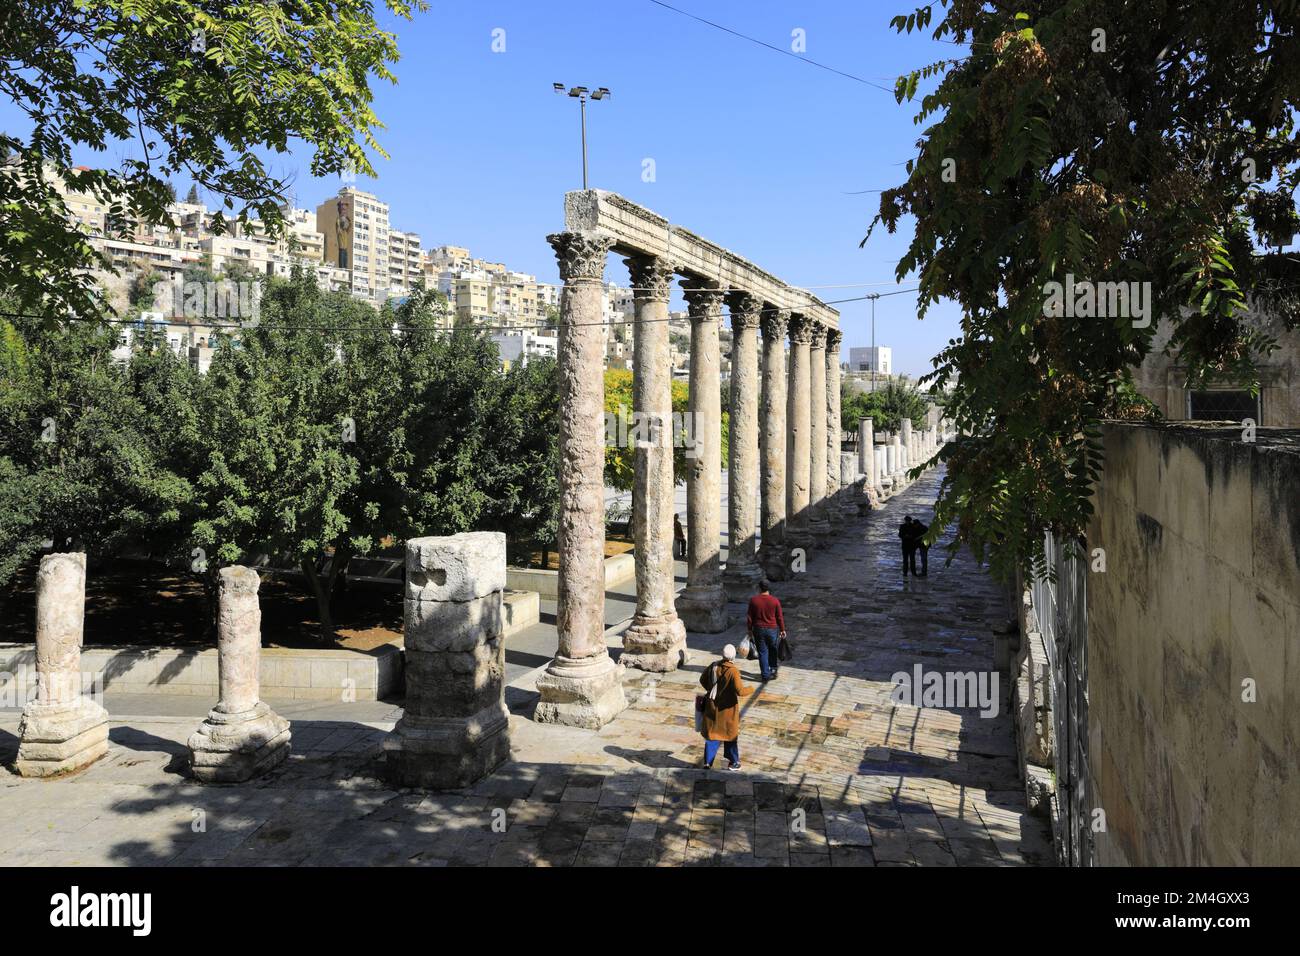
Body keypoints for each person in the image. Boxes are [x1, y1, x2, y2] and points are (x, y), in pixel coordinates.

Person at [699, 643, 754, 771]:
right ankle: (734, 762)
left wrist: (711, 690)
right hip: (728, 709)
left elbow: (702, 679)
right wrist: (751, 689)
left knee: (712, 734)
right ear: (733, 656)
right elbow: (740, 691)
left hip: (712, 705)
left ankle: (707, 762)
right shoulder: (733, 671)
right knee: (730, 734)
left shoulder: (714, 665)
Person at [746, 579, 786, 682]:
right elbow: (779, 617)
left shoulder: (754, 600)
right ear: (769, 588)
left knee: (762, 652)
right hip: (772, 629)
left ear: (759, 588)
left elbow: (750, 617)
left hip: (758, 629)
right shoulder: (775, 601)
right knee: (773, 649)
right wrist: (782, 629)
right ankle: (773, 670)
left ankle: (765, 675)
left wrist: (749, 629)